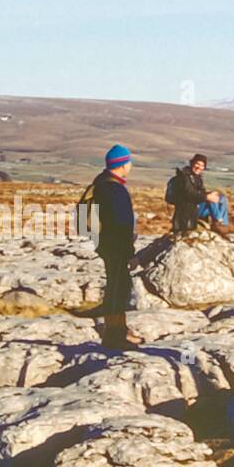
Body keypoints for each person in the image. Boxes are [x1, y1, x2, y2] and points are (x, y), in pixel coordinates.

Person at [91, 144, 143, 349]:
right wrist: (129, 253)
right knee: (118, 291)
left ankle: (117, 332)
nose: (130, 165)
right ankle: (115, 336)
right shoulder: (115, 189)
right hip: (116, 248)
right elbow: (122, 224)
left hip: (105, 245)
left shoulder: (101, 183)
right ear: (122, 164)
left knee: (115, 287)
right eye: (128, 161)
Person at [168, 153, 226, 234]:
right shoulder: (185, 177)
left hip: (195, 204)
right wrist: (207, 197)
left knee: (221, 198)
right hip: (188, 208)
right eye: (197, 164)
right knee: (211, 199)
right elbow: (189, 194)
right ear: (192, 163)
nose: (199, 167)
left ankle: (220, 223)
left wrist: (209, 195)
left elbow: (200, 192)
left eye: (202, 165)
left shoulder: (197, 177)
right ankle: (217, 222)